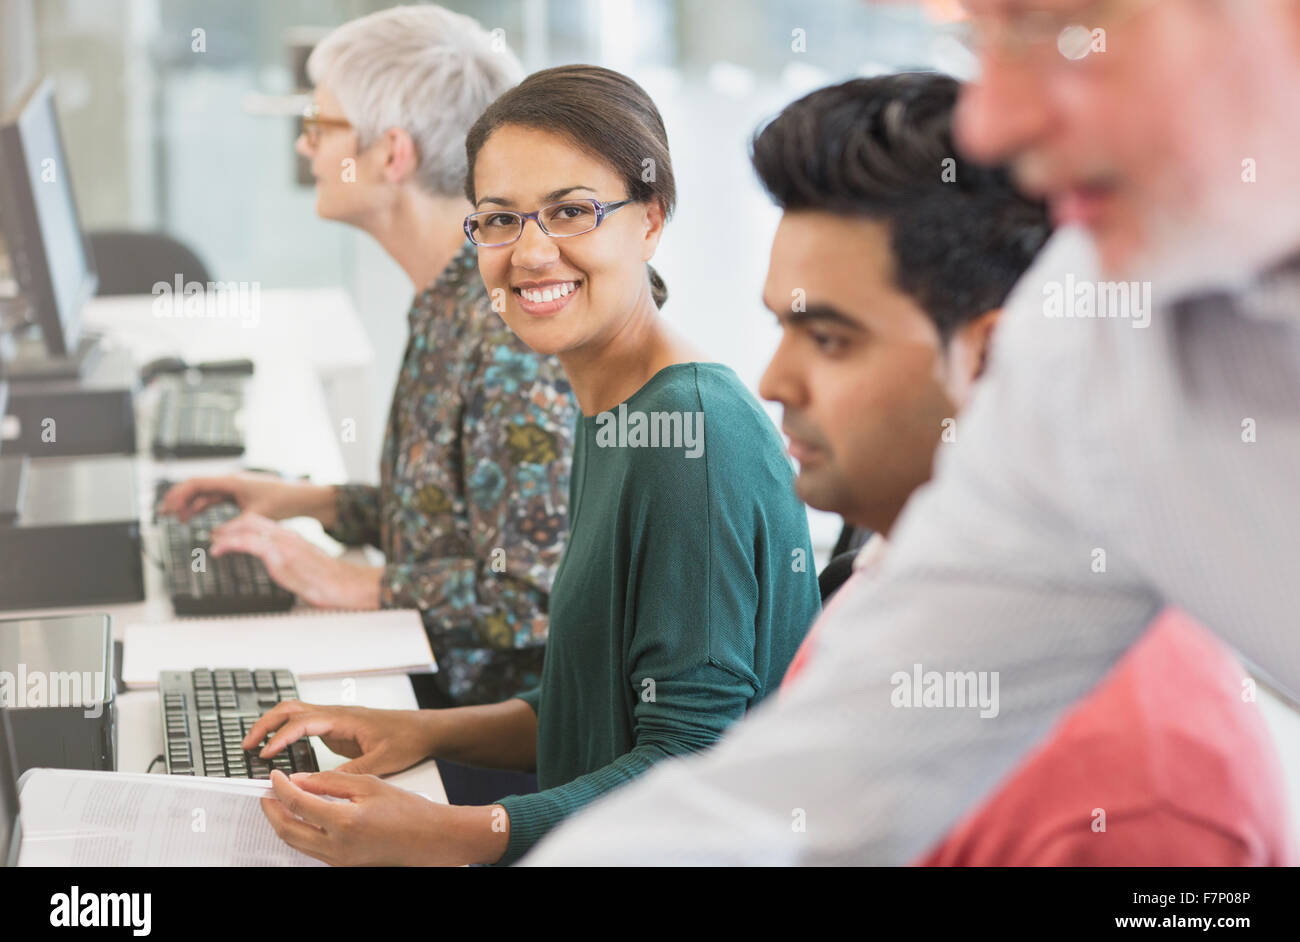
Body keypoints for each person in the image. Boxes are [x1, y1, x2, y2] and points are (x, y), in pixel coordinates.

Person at [523, 0, 1300, 865]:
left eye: (1064, 29)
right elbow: (813, 784)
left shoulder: (1148, 779)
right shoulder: (1097, 329)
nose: (994, 121)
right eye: (977, 37)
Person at [245, 65, 821, 866]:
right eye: (501, 220)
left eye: (572, 212)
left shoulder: (689, 435)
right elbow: (597, 703)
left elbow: (687, 760)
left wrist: (446, 834)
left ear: (650, 220)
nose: (532, 252)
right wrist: (413, 729)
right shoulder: (610, 403)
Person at [762, 74, 1287, 865]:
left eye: (828, 338)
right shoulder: (891, 587)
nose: (773, 381)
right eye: (780, 328)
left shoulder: (1133, 779)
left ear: (992, 356)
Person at [159, 5, 576, 709]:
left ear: (391, 154)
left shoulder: (507, 334)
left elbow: (533, 593)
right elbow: (451, 514)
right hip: (428, 682)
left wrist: (354, 582)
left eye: (320, 128)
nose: (304, 147)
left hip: (488, 729)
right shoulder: (448, 298)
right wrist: (309, 501)